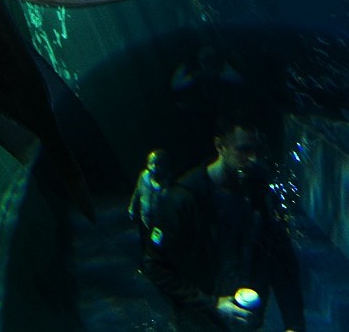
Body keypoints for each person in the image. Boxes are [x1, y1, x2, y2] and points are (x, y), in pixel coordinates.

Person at [143, 119, 304, 332]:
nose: (253, 159)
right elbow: (154, 265)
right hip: (200, 323)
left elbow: (282, 260)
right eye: (244, 150)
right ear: (220, 146)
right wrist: (211, 304)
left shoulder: (261, 193)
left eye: (257, 150)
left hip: (247, 322)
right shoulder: (183, 199)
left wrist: (293, 325)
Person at [130, 148, 173, 241]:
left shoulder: (170, 184)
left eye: (157, 164)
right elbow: (137, 192)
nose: (154, 167)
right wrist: (132, 209)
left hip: (160, 226)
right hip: (144, 221)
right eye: (151, 163)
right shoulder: (143, 177)